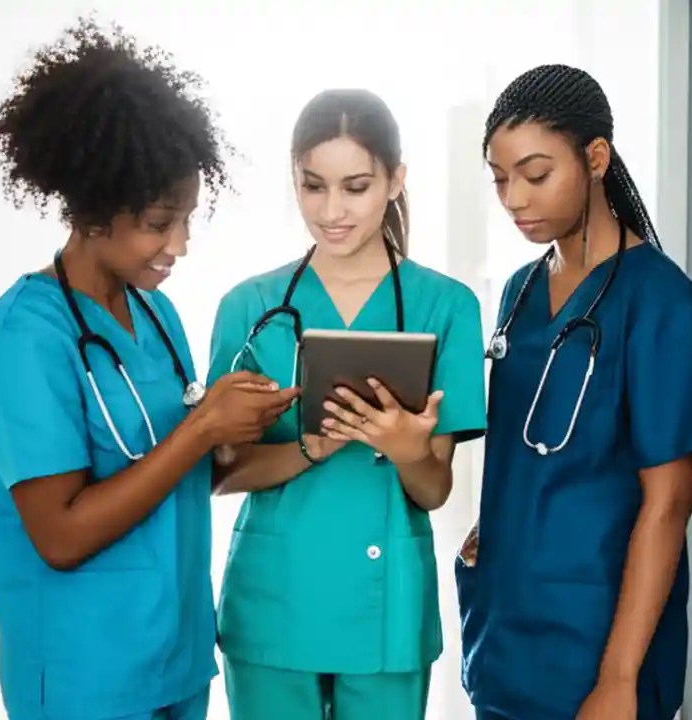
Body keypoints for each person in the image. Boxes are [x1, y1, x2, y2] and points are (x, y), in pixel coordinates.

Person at [0, 18, 298, 720]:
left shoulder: (157, 318)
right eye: (157, 221)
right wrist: (201, 431)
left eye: (188, 219)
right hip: (86, 677)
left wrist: (249, 435)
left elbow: (183, 472)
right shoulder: (17, 341)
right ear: (89, 209)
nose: (180, 244)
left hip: (175, 659)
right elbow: (61, 534)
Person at [207, 88, 488, 720]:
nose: (332, 210)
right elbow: (219, 472)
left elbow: (434, 489)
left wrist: (407, 449)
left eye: (355, 187)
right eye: (313, 186)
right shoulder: (250, 308)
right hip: (275, 597)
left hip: (384, 604)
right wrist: (312, 447)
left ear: (395, 181)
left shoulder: (447, 308)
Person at [455, 64, 692, 720]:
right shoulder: (518, 292)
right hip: (505, 638)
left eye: (536, 174)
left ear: (595, 157)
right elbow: (527, 449)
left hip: (598, 643)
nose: (514, 198)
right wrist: (490, 535)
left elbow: (669, 503)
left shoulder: (663, 305)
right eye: (500, 178)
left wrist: (620, 678)